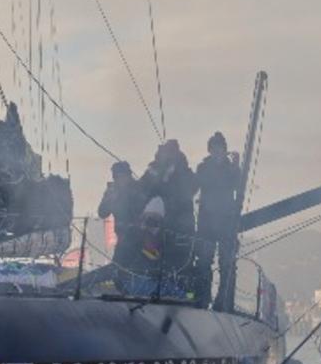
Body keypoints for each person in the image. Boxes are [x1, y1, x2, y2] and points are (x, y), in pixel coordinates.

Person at [195, 131, 241, 307]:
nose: (217, 152)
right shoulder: (203, 168)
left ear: (224, 150)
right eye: (214, 149)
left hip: (225, 223)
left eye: (220, 149)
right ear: (210, 150)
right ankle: (203, 298)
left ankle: (224, 301)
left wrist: (236, 166)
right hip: (207, 222)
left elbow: (238, 185)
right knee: (204, 261)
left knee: (227, 264)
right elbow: (197, 185)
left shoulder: (231, 170)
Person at [139, 140, 197, 275]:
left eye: (171, 152)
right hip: (156, 227)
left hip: (180, 227)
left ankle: (184, 293)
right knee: (151, 257)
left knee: (180, 261)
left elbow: (190, 190)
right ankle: (151, 284)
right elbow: (141, 189)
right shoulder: (153, 170)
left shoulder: (185, 172)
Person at [97, 160, 146, 268]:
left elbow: (141, 209)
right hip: (122, 238)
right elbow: (102, 213)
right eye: (116, 177)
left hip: (141, 238)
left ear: (128, 176)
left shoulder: (139, 189)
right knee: (118, 269)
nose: (119, 180)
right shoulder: (113, 191)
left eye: (122, 176)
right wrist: (109, 199)